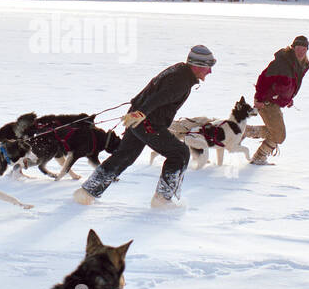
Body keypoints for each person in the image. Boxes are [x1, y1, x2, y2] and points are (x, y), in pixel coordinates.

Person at [74, 45, 216, 208]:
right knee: (179, 153)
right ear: (197, 65)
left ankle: (86, 192)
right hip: (148, 122)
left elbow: (151, 90)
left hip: (138, 118)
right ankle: (162, 200)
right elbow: (158, 97)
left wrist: (136, 111)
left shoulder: (178, 70)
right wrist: (141, 113)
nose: (210, 72)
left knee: (124, 156)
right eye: (208, 67)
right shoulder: (181, 80)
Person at [250, 34, 309, 165]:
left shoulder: (302, 65)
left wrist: (288, 99)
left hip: (276, 101)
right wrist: (259, 98)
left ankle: (246, 134)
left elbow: (290, 84)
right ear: (293, 48)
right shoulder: (281, 62)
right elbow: (263, 79)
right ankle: (257, 154)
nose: (301, 51)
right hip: (266, 101)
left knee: (277, 133)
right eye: (299, 48)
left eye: (304, 49)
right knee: (279, 135)